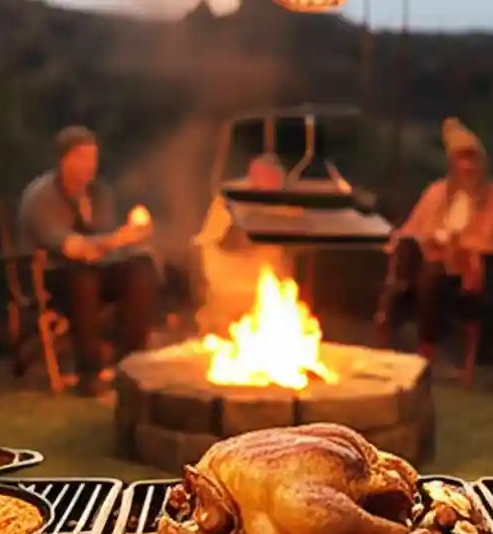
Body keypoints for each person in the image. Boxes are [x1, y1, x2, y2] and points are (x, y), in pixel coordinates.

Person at [17, 126, 157, 396]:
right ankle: (90, 373)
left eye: (93, 157)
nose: (90, 164)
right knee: (82, 277)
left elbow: (102, 244)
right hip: (52, 276)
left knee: (141, 268)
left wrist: (131, 238)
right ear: (64, 160)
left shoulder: (99, 193)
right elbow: (71, 247)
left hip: (95, 269)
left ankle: (132, 365)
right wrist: (117, 239)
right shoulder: (41, 197)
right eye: (82, 157)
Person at [375, 117, 493, 362]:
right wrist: (430, 240)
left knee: (431, 276)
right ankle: (393, 302)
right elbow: (414, 229)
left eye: (472, 159)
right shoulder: (437, 191)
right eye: (461, 159)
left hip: (471, 273)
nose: (467, 167)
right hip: (430, 260)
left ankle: (426, 348)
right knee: (407, 251)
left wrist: (461, 247)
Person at [191, 154, 291, 333]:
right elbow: (227, 243)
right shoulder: (229, 201)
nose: (273, 188)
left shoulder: (283, 201)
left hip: (266, 294)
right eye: (268, 182)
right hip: (227, 293)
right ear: (254, 176)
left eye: (276, 184)